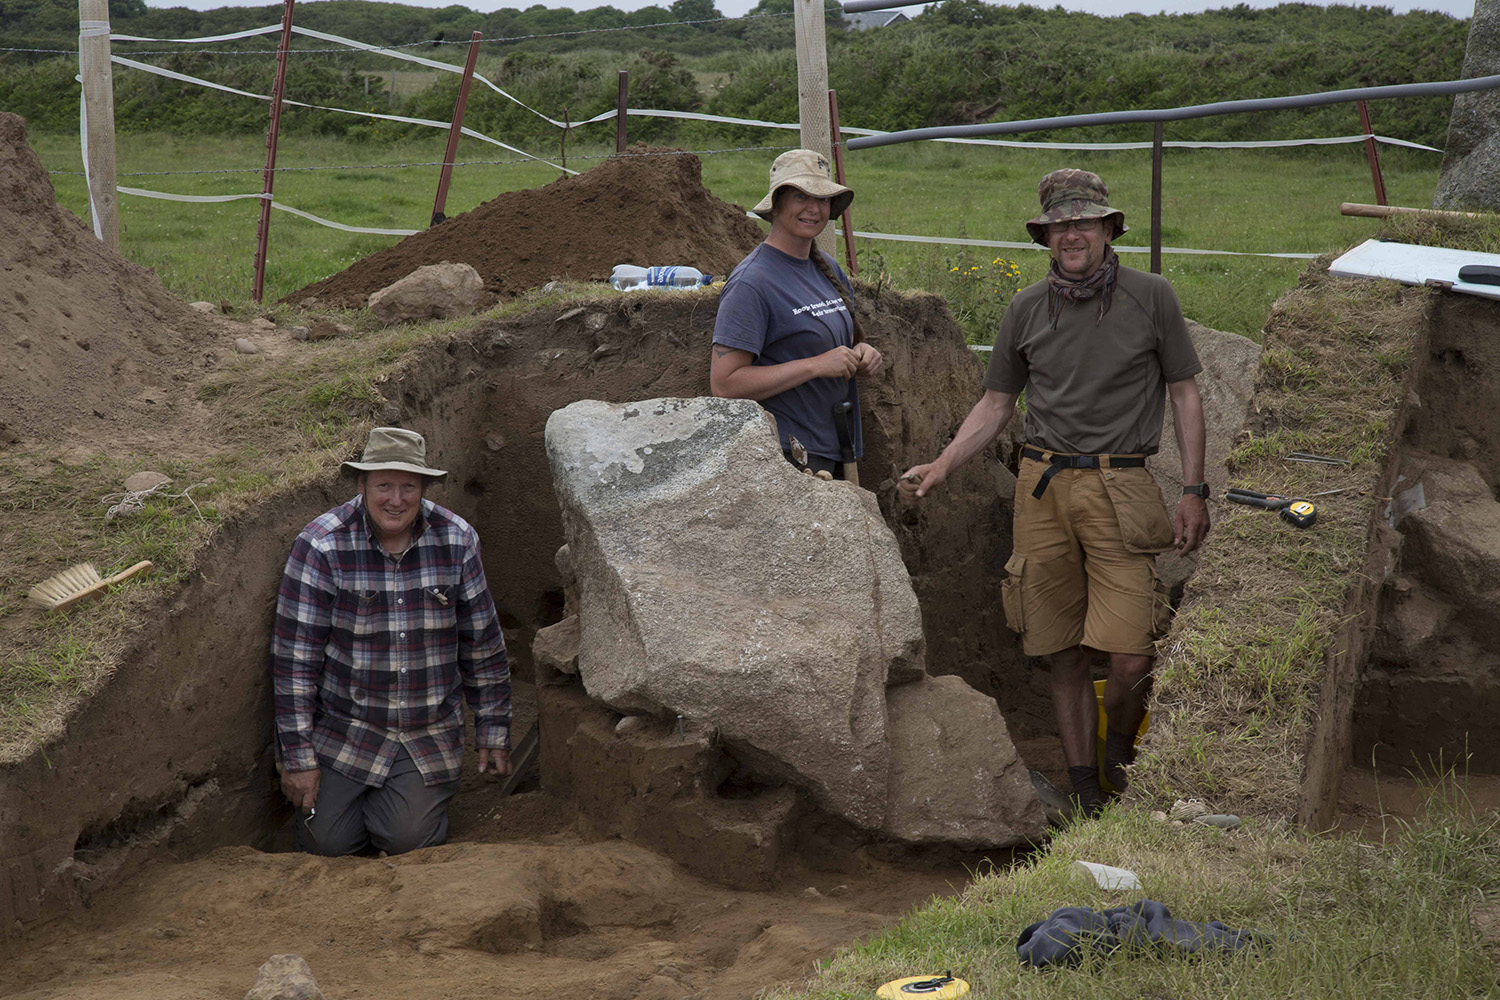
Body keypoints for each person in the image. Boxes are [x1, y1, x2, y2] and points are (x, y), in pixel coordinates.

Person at [897, 169, 1210, 816]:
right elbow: (995, 404)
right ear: (1045, 235)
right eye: (1060, 225)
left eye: (1084, 223)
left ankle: (1117, 757)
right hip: (1041, 489)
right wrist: (943, 465)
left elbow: (1184, 393)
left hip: (1123, 485)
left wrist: (1193, 489)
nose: (1072, 235)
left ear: (1107, 229)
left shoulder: (1152, 296)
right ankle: (1085, 790)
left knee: (1131, 657)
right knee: (1057, 650)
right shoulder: (1025, 308)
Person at [270, 426, 512, 856]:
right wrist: (299, 758)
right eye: (384, 486)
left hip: (426, 733)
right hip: (346, 731)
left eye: (408, 487)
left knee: (407, 840)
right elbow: (294, 662)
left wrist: (493, 727)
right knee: (326, 843)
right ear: (362, 485)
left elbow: (483, 643)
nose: (396, 500)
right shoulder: (321, 545)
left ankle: (402, 811)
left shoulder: (457, 540)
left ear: (424, 489)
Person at [711, 148, 883, 479]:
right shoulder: (752, 283)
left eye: (822, 198)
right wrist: (815, 366)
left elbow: (836, 349)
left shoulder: (826, 268)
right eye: (800, 196)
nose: (813, 208)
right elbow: (725, 385)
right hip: (788, 459)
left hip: (836, 448)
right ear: (776, 205)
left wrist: (860, 354)